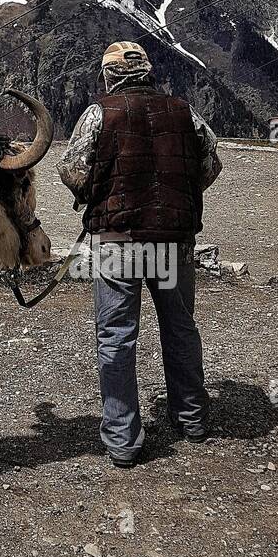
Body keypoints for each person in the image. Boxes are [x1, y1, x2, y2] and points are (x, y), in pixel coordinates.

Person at [58, 41, 222, 468]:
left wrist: (101, 193)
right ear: (148, 73)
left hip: (119, 243)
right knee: (180, 327)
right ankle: (192, 418)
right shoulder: (185, 112)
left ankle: (123, 439)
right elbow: (210, 164)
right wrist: (174, 197)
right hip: (173, 240)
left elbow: (71, 171)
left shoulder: (100, 113)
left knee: (116, 337)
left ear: (109, 75)